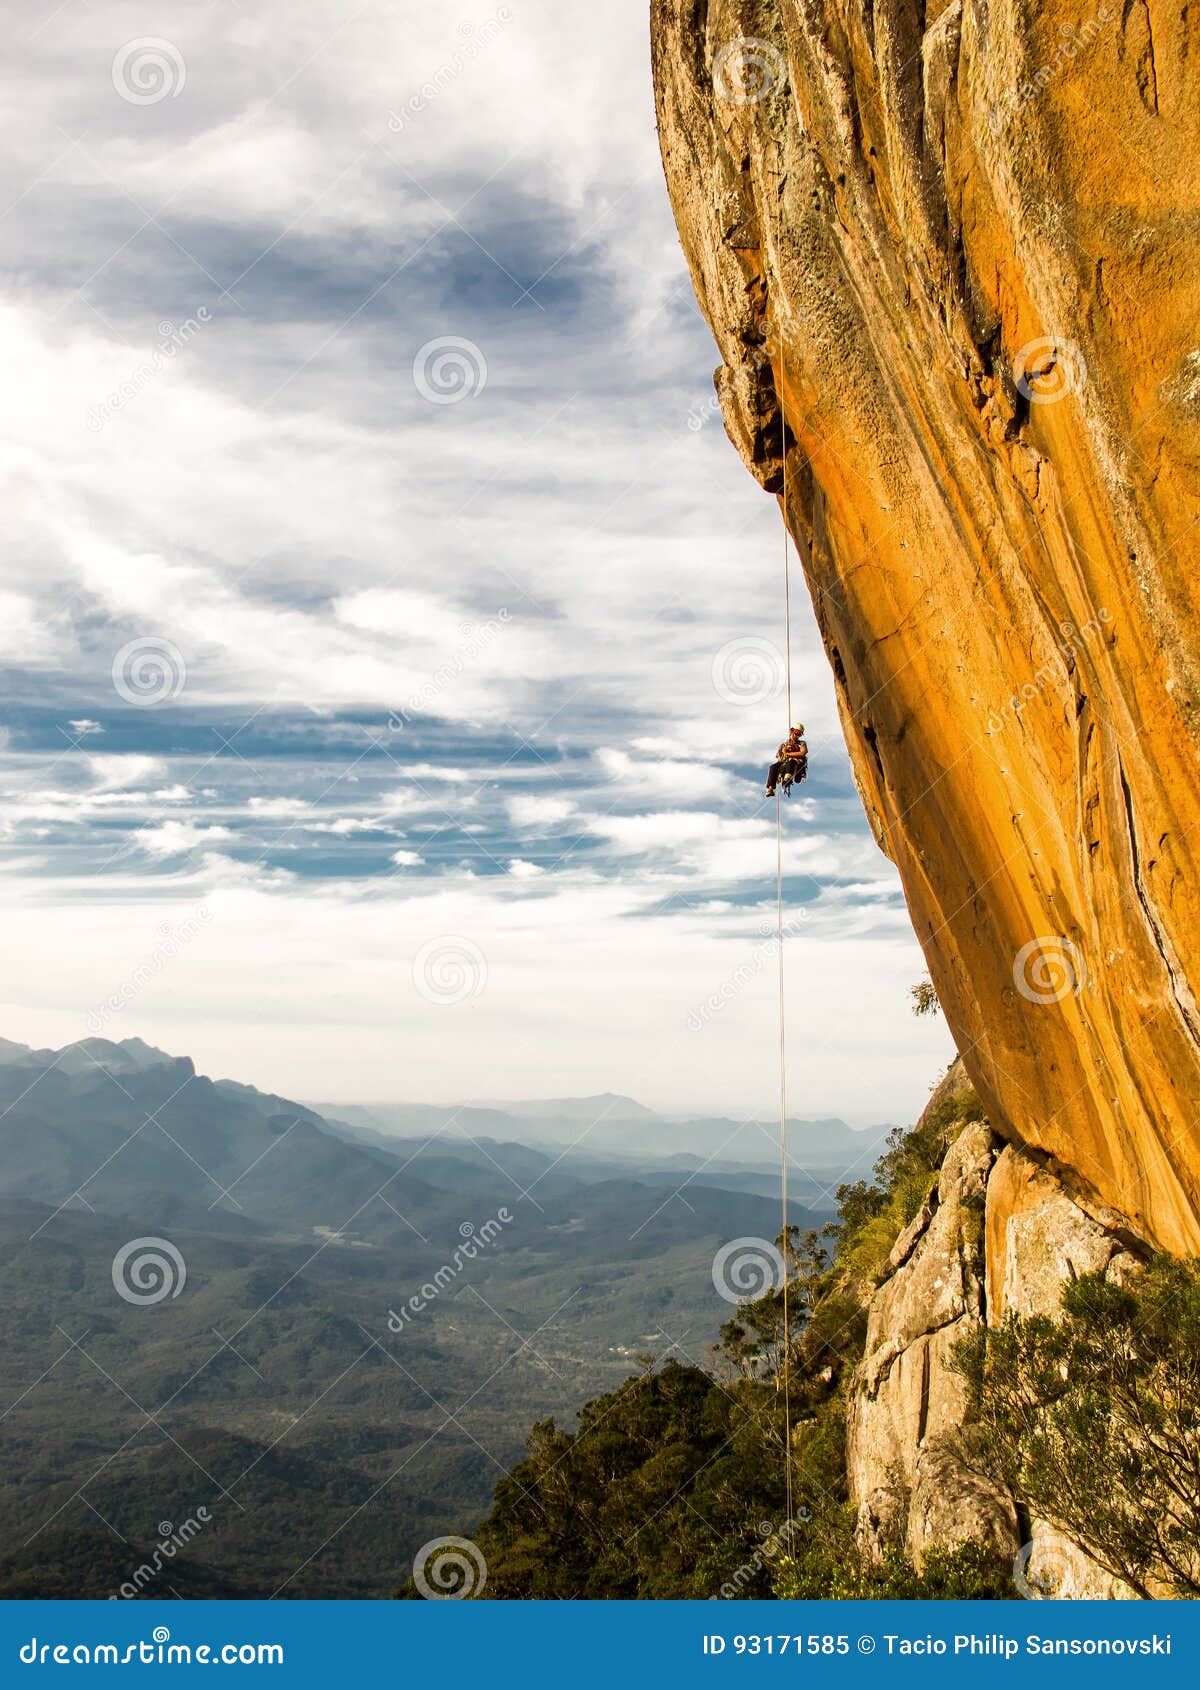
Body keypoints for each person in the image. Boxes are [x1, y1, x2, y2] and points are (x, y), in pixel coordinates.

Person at [766, 724, 808, 797]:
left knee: (791, 762)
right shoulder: (784, 744)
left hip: (796, 763)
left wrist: (788, 753)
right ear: (792, 731)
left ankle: (787, 780)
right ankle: (770, 788)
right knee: (773, 767)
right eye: (797, 733)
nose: (798, 736)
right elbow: (778, 757)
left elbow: (803, 752)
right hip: (784, 762)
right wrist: (783, 752)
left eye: (800, 734)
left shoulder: (801, 743)